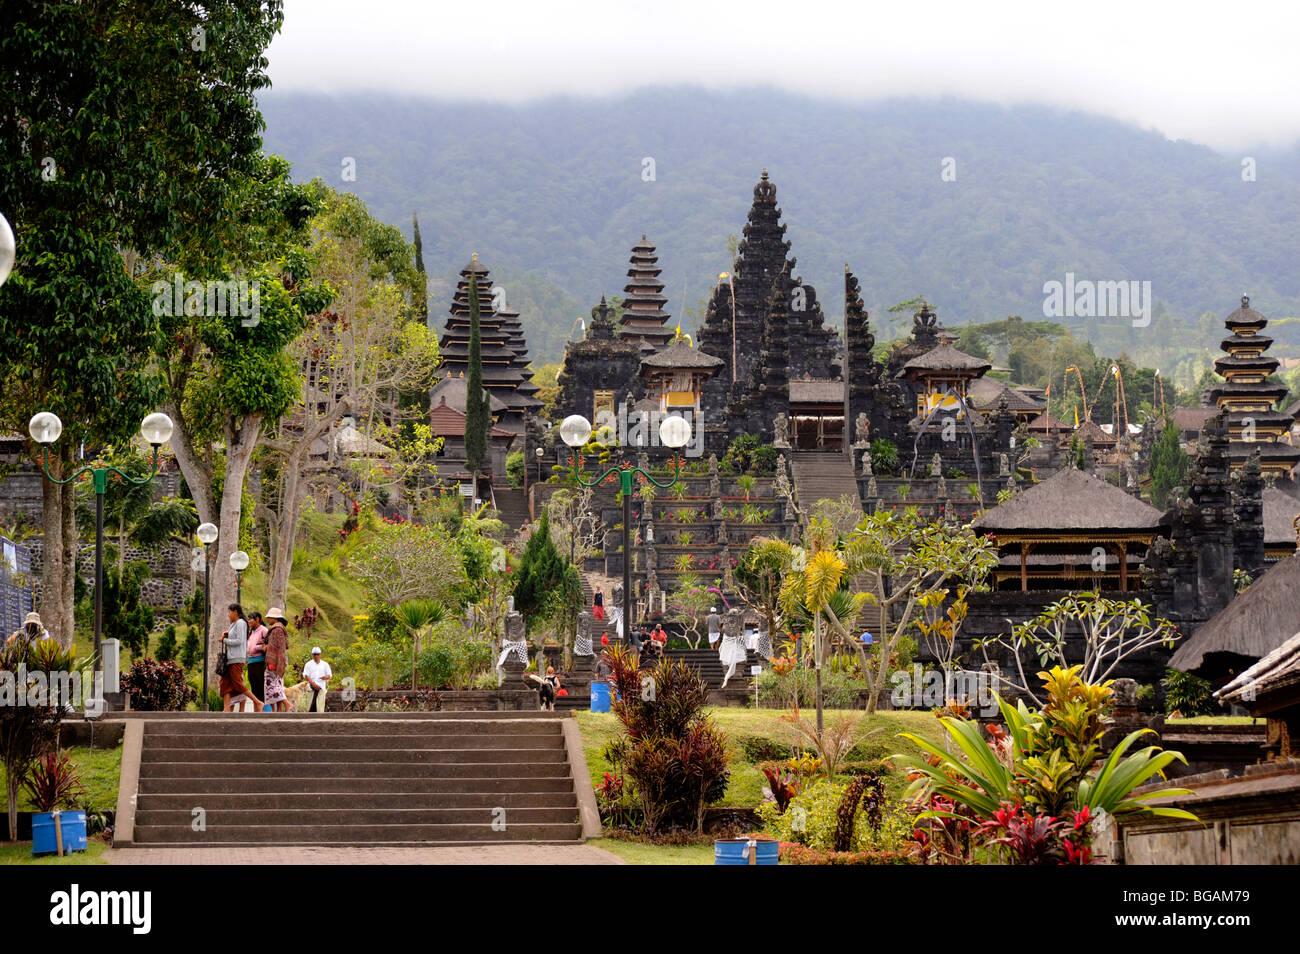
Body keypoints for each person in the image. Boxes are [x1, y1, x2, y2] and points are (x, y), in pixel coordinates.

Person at [219, 603, 263, 712]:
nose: (228, 614)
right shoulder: (234, 624)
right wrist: (228, 634)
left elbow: (239, 640)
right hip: (230, 659)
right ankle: (226, 709)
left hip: (236, 658)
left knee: (237, 683)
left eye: (229, 612)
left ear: (235, 612)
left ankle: (257, 702)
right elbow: (236, 636)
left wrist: (224, 640)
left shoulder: (241, 623)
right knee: (224, 684)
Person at [263, 608, 291, 713]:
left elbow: (275, 648)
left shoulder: (276, 630)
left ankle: (287, 704)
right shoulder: (281, 630)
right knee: (278, 685)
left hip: (273, 662)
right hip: (279, 662)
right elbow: (286, 646)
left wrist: (265, 647)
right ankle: (279, 709)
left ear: (274, 618)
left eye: (269, 617)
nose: (268, 619)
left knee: (271, 686)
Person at [246, 611, 268, 710]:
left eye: (250, 619)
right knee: (253, 687)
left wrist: (256, 647)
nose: (249, 621)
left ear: (257, 619)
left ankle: (262, 710)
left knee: (260, 687)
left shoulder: (263, 630)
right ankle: (256, 710)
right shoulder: (251, 631)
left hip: (259, 662)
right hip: (250, 662)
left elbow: (268, 645)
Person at [718, 622, 748, 689]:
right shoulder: (727, 636)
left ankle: (728, 678)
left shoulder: (738, 637)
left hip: (737, 657)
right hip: (728, 656)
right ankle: (728, 677)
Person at [302, 646, 332, 713]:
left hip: (321, 688)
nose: (316, 656)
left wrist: (325, 677)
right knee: (309, 706)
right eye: (315, 654)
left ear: (320, 654)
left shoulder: (325, 664)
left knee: (320, 708)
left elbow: (329, 675)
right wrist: (313, 684)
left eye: (317, 654)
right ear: (312, 655)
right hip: (311, 688)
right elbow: (306, 675)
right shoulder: (308, 664)